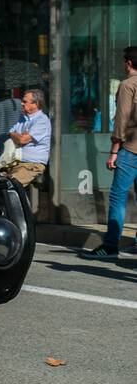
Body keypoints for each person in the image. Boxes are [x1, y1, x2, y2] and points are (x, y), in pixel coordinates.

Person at [85, 46, 137, 259]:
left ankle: (110, 244)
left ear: (129, 63)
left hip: (130, 149)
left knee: (118, 197)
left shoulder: (127, 85)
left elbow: (122, 120)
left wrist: (114, 150)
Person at [1, 88, 51, 189]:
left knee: (9, 186)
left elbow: (22, 140)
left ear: (35, 104)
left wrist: (18, 136)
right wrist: (16, 135)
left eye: (25, 101)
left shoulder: (42, 120)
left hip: (31, 164)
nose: (22, 104)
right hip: (13, 161)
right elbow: (10, 132)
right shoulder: (22, 118)